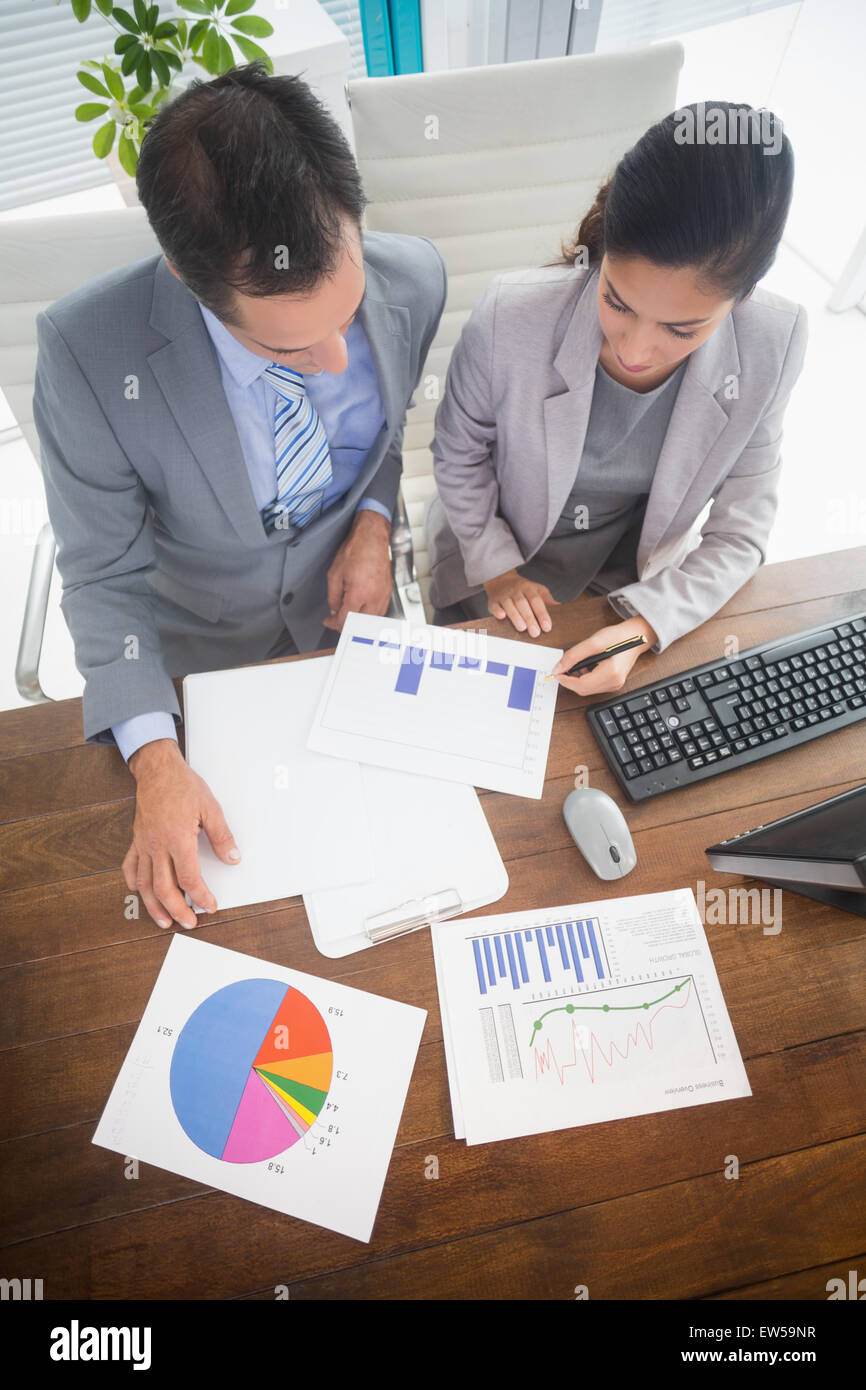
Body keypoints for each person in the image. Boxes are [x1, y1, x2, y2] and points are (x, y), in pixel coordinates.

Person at [33, 62, 446, 931]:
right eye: (292, 350)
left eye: (347, 313)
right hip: (199, 667)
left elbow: (387, 419)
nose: (337, 361)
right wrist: (153, 760)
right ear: (190, 284)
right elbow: (103, 577)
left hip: (347, 638)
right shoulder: (87, 357)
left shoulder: (415, 279)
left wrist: (374, 520)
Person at [425, 100, 807, 697]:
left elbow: (741, 534)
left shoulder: (772, 343)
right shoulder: (511, 317)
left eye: (682, 330)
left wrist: (639, 629)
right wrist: (498, 570)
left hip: (628, 593)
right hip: (492, 570)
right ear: (603, 250)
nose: (634, 349)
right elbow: (457, 454)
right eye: (617, 302)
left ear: (743, 298)